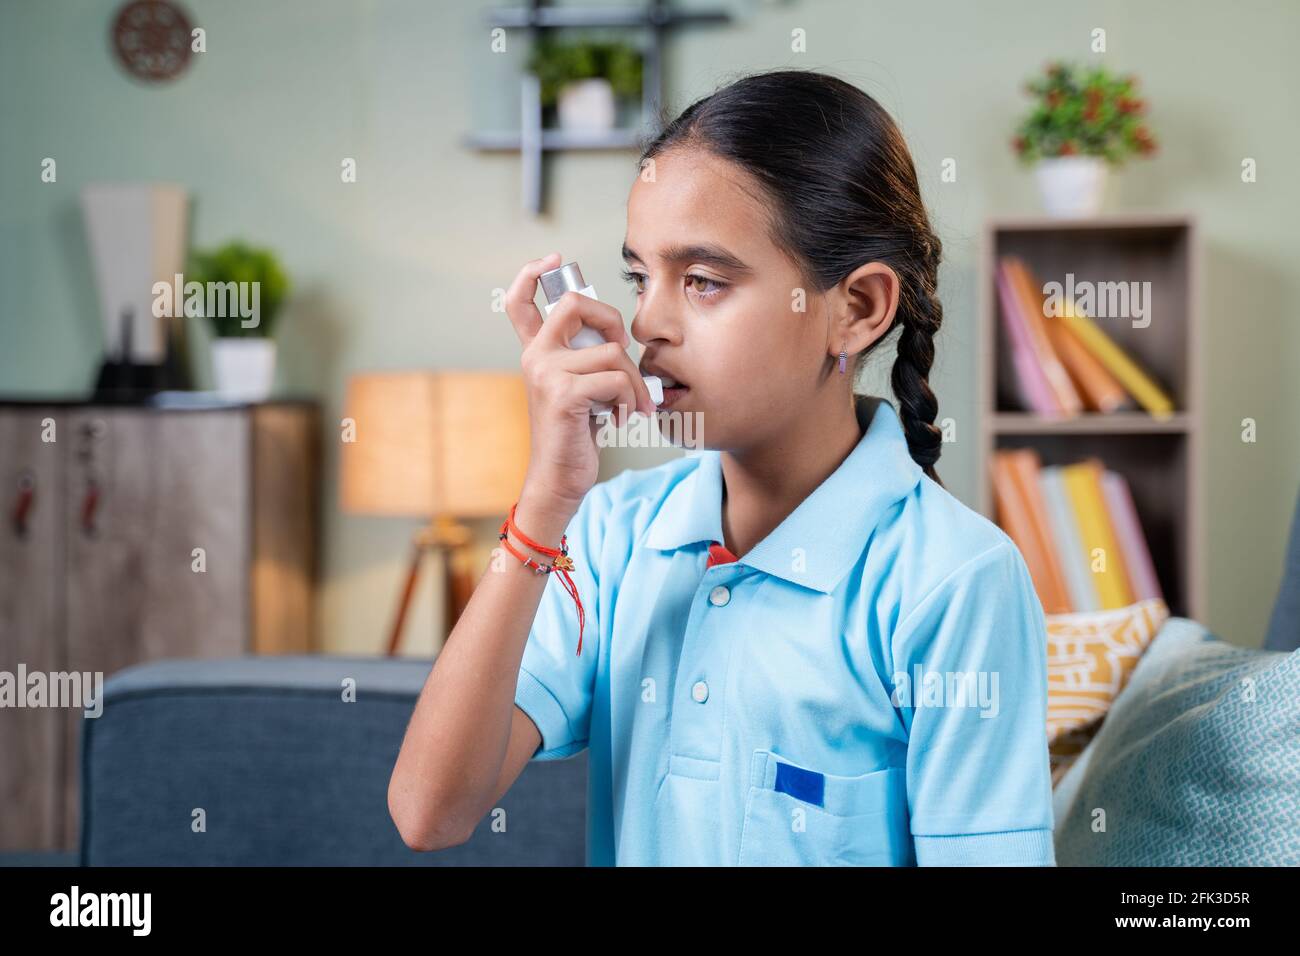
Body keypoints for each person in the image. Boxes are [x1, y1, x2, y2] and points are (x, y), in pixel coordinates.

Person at [389, 68, 1055, 866]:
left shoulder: (954, 581)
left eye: (703, 281)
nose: (647, 322)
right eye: (641, 276)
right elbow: (430, 813)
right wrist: (545, 501)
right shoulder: (608, 535)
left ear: (857, 309)